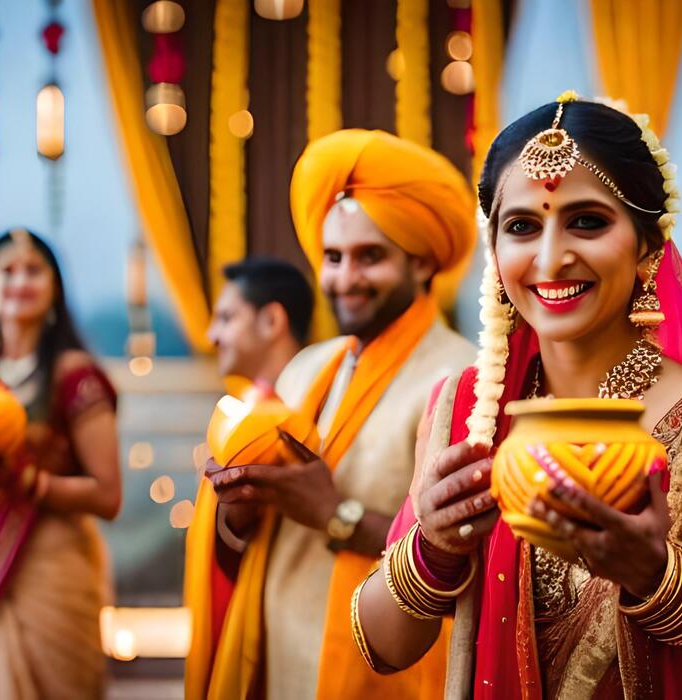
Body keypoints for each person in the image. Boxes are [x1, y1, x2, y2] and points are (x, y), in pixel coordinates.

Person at [353, 94, 682, 699]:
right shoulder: (468, 409)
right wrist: (433, 550)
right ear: (495, 252)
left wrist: (656, 579)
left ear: (648, 246)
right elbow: (385, 647)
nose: (551, 258)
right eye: (522, 227)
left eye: (587, 221)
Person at [185, 129, 479, 699]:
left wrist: (334, 514)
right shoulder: (305, 369)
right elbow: (245, 537)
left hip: (382, 672)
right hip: (278, 660)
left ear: (421, 264)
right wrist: (238, 513)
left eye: (370, 257)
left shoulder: (459, 378)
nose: (346, 279)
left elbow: (463, 555)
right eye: (334, 258)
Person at [0, 229, 122, 699]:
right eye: (7, 271)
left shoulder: (75, 377)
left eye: (34, 270)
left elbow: (108, 495)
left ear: (55, 287)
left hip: (52, 566)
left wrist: (23, 481)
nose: (20, 281)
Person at [207, 256, 314, 386]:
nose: (211, 337)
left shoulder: (319, 402)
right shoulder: (261, 401)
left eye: (227, 318)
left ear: (271, 321)